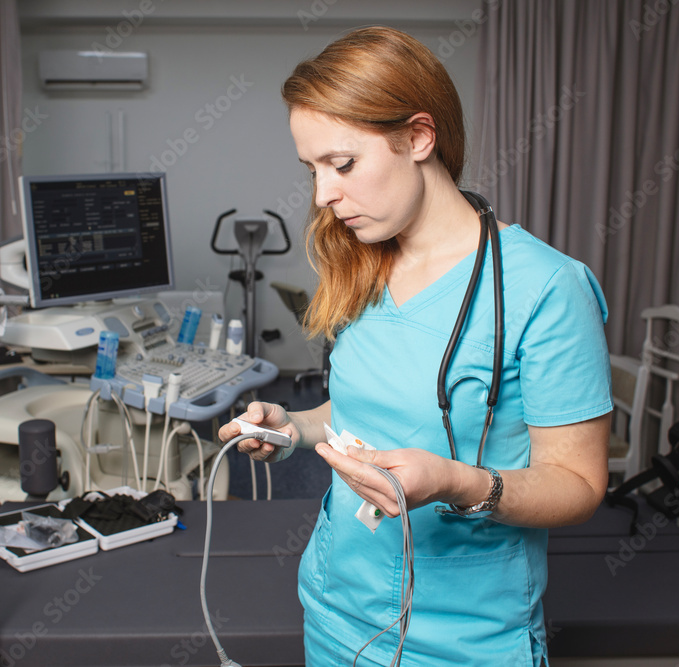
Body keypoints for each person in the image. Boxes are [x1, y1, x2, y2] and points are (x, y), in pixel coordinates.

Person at [217, 26, 613, 666]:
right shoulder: (359, 264)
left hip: (466, 640)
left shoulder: (545, 288)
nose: (323, 195)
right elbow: (355, 416)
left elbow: (578, 484)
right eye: (312, 169)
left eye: (342, 165)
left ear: (419, 137)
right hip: (335, 611)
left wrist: (456, 482)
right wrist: (292, 424)